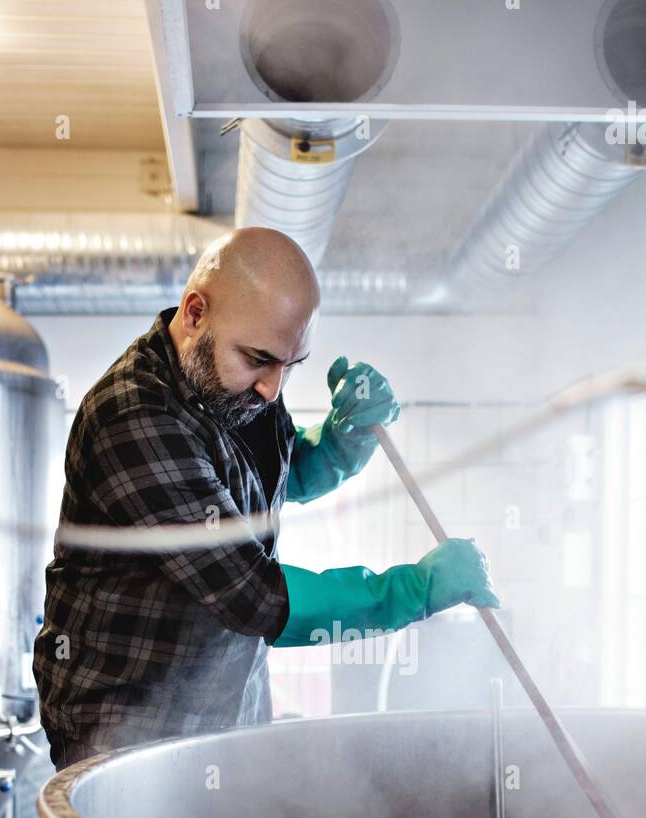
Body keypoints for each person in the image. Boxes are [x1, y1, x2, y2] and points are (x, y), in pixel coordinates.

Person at [34, 227, 499, 771]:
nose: (273, 389)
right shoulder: (133, 418)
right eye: (259, 360)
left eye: (289, 366)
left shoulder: (231, 382)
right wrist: (412, 592)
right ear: (194, 313)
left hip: (228, 708)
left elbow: (268, 479)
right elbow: (252, 596)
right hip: (126, 732)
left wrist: (337, 445)